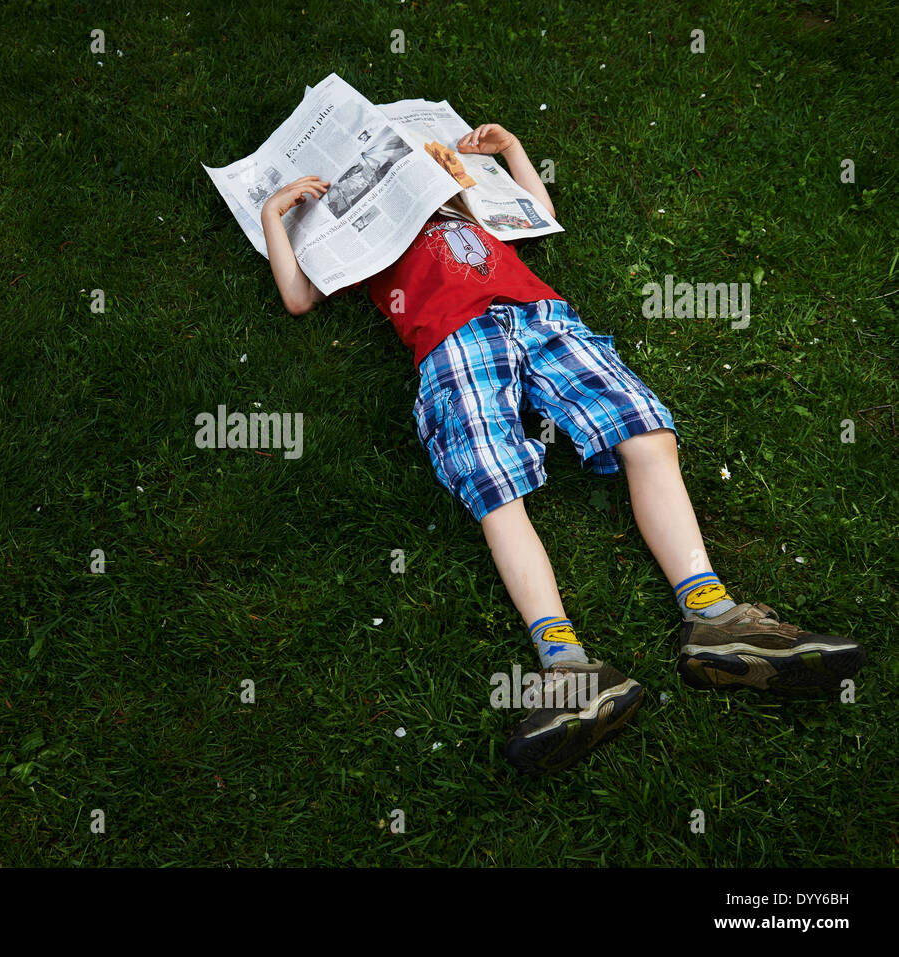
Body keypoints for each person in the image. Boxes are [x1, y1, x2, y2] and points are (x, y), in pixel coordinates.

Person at [258, 123, 865, 776]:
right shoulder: (367, 243)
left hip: (544, 316)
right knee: (494, 484)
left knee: (645, 429)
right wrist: (273, 214)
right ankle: (567, 666)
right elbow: (298, 295)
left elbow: (539, 216)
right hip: (453, 341)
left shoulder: (464, 199)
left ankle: (714, 616)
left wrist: (511, 152)